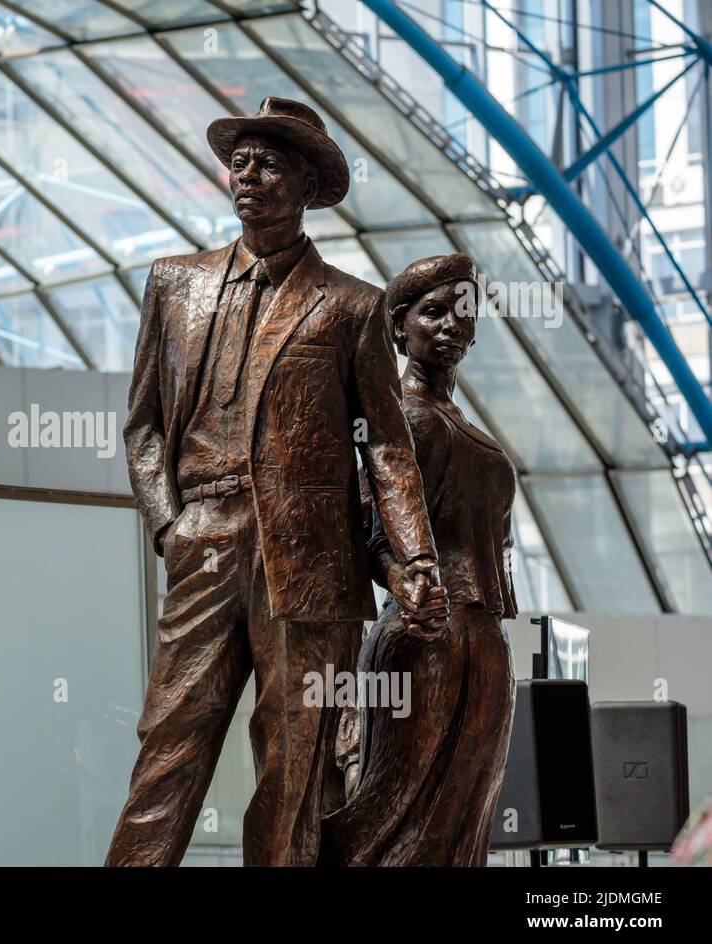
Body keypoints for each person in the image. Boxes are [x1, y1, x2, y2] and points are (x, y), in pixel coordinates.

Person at [106, 98, 445, 867]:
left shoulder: (352, 307)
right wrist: (170, 525)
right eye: (240, 161)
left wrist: (416, 559)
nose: (246, 175)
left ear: (305, 183)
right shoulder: (174, 285)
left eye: (268, 163)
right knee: (170, 739)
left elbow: (387, 451)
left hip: (312, 565)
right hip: (206, 545)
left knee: (297, 764)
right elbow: (144, 426)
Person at [322, 253, 517, 866]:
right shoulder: (403, 419)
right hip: (428, 634)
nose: (451, 325)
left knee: (467, 807)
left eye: (464, 312)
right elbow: (367, 534)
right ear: (399, 326)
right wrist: (403, 583)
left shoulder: (454, 421)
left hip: (483, 636)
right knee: (401, 809)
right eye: (433, 312)